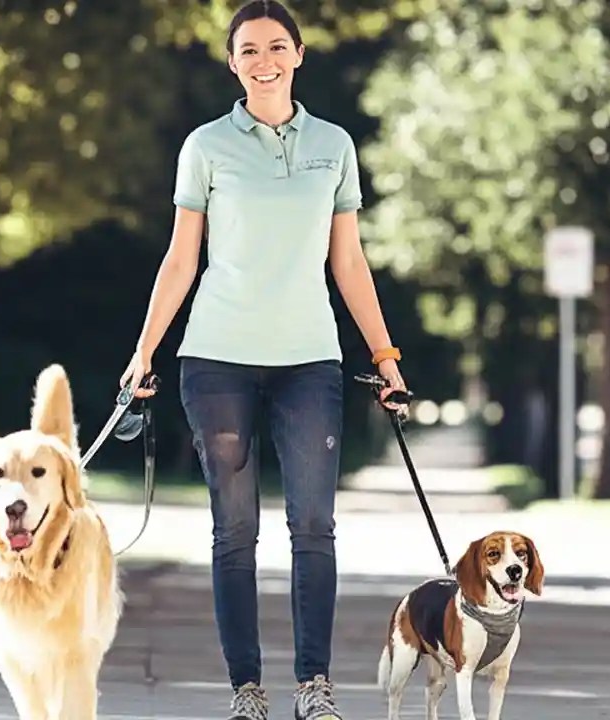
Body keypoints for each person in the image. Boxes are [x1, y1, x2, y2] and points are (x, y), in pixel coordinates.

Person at [119, 1, 406, 718]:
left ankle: (315, 686)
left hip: (310, 360)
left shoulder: (333, 145)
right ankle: (246, 691)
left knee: (313, 527)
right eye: (249, 50)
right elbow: (183, 258)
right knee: (234, 532)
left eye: (277, 47)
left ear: (300, 55)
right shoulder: (206, 147)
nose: (264, 60)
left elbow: (350, 262)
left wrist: (385, 354)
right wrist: (144, 350)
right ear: (232, 63)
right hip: (216, 358)